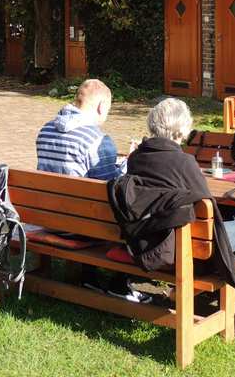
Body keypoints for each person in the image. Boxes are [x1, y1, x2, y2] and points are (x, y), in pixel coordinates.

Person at [35, 79, 145, 302]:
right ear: (101, 106)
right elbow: (110, 190)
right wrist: (128, 163)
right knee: (130, 211)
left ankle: (88, 275)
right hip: (81, 225)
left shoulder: (45, 130)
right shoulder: (98, 140)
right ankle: (120, 282)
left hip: (47, 217)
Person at [125, 98, 235, 272]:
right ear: (182, 129)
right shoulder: (183, 162)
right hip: (187, 249)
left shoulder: (136, 158)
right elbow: (206, 204)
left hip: (148, 243)